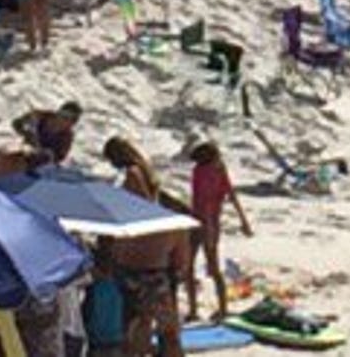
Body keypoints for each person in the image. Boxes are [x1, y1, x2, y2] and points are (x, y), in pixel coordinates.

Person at [101, 137, 186, 350]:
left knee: (138, 323)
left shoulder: (132, 174)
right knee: (164, 324)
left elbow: (134, 206)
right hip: (154, 258)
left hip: (136, 260)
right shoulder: (147, 173)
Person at [187, 140, 252, 319]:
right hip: (212, 222)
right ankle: (222, 309)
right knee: (213, 268)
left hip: (200, 222)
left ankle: (193, 311)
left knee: (190, 267)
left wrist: (205, 225)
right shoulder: (219, 170)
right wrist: (244, 221)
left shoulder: (201, 172)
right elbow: (231, 195)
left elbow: (202, 200)